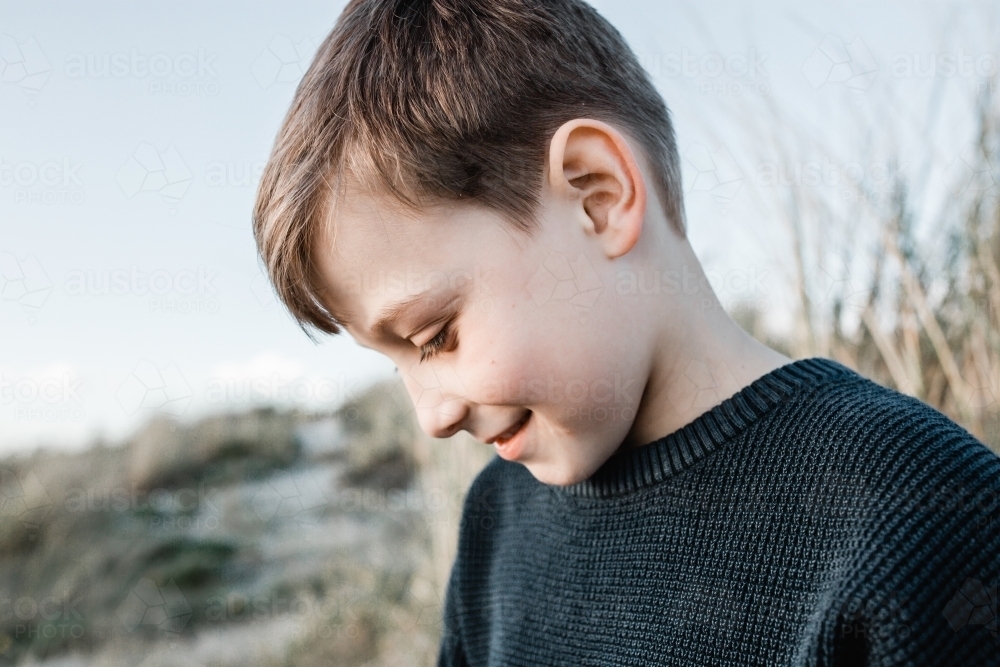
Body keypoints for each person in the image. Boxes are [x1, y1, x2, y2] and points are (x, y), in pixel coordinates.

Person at [252, 0, 1000, 663]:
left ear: (596, 195)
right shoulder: (498, 522)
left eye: (434, 335)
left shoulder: (924, 512)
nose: (432, 416)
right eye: (394, 365)